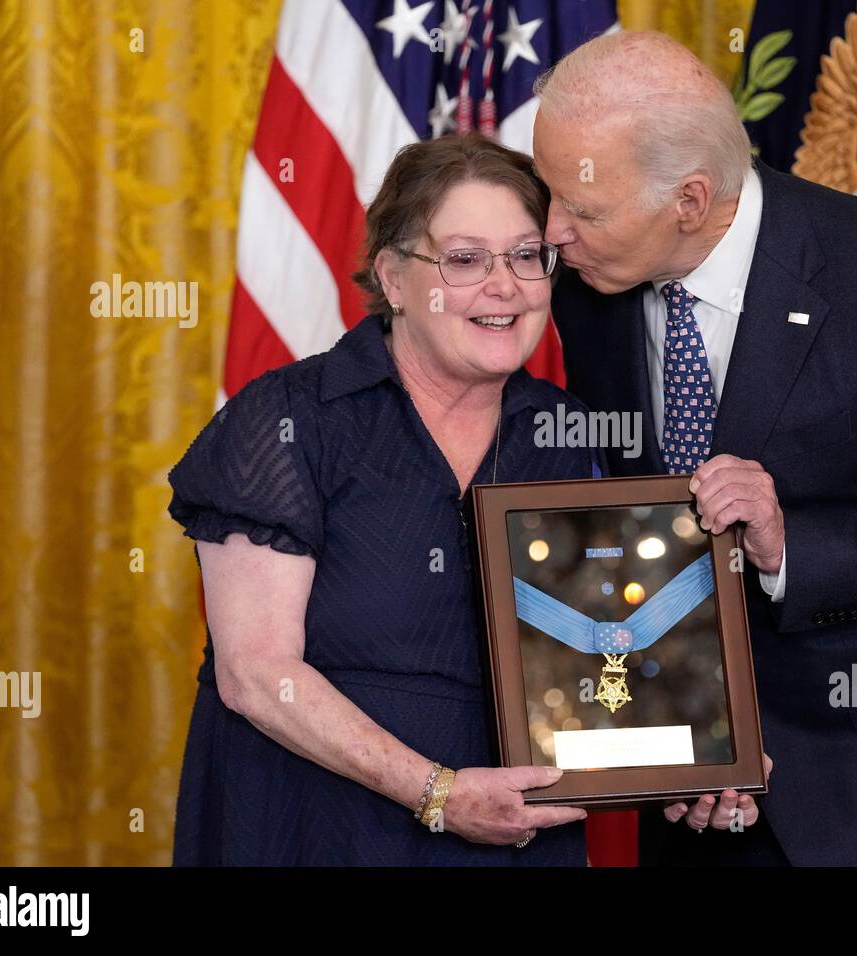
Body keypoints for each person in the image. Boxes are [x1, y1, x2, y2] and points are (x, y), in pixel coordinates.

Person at [532, 31, 857, 865]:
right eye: (549, 193)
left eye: (582, 210)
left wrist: (790, 548)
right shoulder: (590, 287)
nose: (553, 232)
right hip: (698, 788)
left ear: (690, 202)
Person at [166, 133, 598, 864]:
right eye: (464, 259)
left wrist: (697, 766)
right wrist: (438, 794)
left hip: (510, 835)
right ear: (393, 278)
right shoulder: (290, 421)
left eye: (527, 256)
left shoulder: (572, 436)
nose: (506, 286)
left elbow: (610, 657)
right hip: (309, 825)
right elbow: (256, 676)